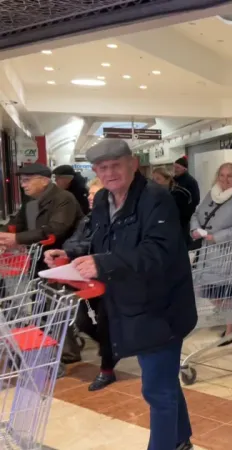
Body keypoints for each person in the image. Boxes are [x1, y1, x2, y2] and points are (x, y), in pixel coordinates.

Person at [44, 139, 196, 450]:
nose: (110, 172)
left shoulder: (156, 199)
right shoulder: (102, 200)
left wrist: (102, 263)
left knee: (156, 388)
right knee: (162, 381)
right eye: (103, 167)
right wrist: (68, 254)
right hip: (129, 303)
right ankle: (181, 439)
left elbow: (159, 251)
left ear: (133, 164)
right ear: (96, 171)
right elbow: (94, 238)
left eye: (116, 165)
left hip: (161, 307)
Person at [2, 163, 84, 364]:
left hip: (62, 260)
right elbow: (16, 224)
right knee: (42, 303)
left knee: (53, 303)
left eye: (27, 180)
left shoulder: (64, 199)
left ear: (44, 180)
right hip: (39, 260)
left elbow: (57, 228)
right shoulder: (31, 203)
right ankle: (47, 346)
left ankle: (68, 352)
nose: (23, 185)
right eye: (22, 180)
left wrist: (18, 239)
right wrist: (5, 236)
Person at [190, 162, 232, 346]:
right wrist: (195, 229)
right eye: (222, 175)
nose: (225, 180)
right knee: (211, 292)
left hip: (230, 253)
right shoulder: (212, 194)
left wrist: (216, 237)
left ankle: (229, 330)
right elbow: (196, 214)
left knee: (228, 294)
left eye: (229, 176)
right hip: (208, 254)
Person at [64, 177, 117, 391]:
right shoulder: (88, 219)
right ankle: (114, 347)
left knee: (105, 323)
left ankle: (107, 370)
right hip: (88, 279)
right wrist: (67, 251)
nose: (90, 198)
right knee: (84, 322)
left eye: (96, 194)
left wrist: (78, 249)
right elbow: (73, 242)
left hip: (110, 279)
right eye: (89, 194)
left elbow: (100, 245)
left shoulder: (115, 220)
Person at [152, 167, 194, 246]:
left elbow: (181, 215)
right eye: (153, 180)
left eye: (158, 179)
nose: (155, 182)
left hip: (179, 234)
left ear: (167, 179)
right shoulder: (156, 194)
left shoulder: (179, 193)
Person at [174, 157, 201, 245]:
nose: (175, 170)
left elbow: (196, 199)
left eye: (177, 167)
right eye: (174, 167)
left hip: (185, 217)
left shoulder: (191, 182)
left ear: (184, 168)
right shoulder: (174, 180)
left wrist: (187, 212)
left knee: (184, 238)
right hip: (175, 216)